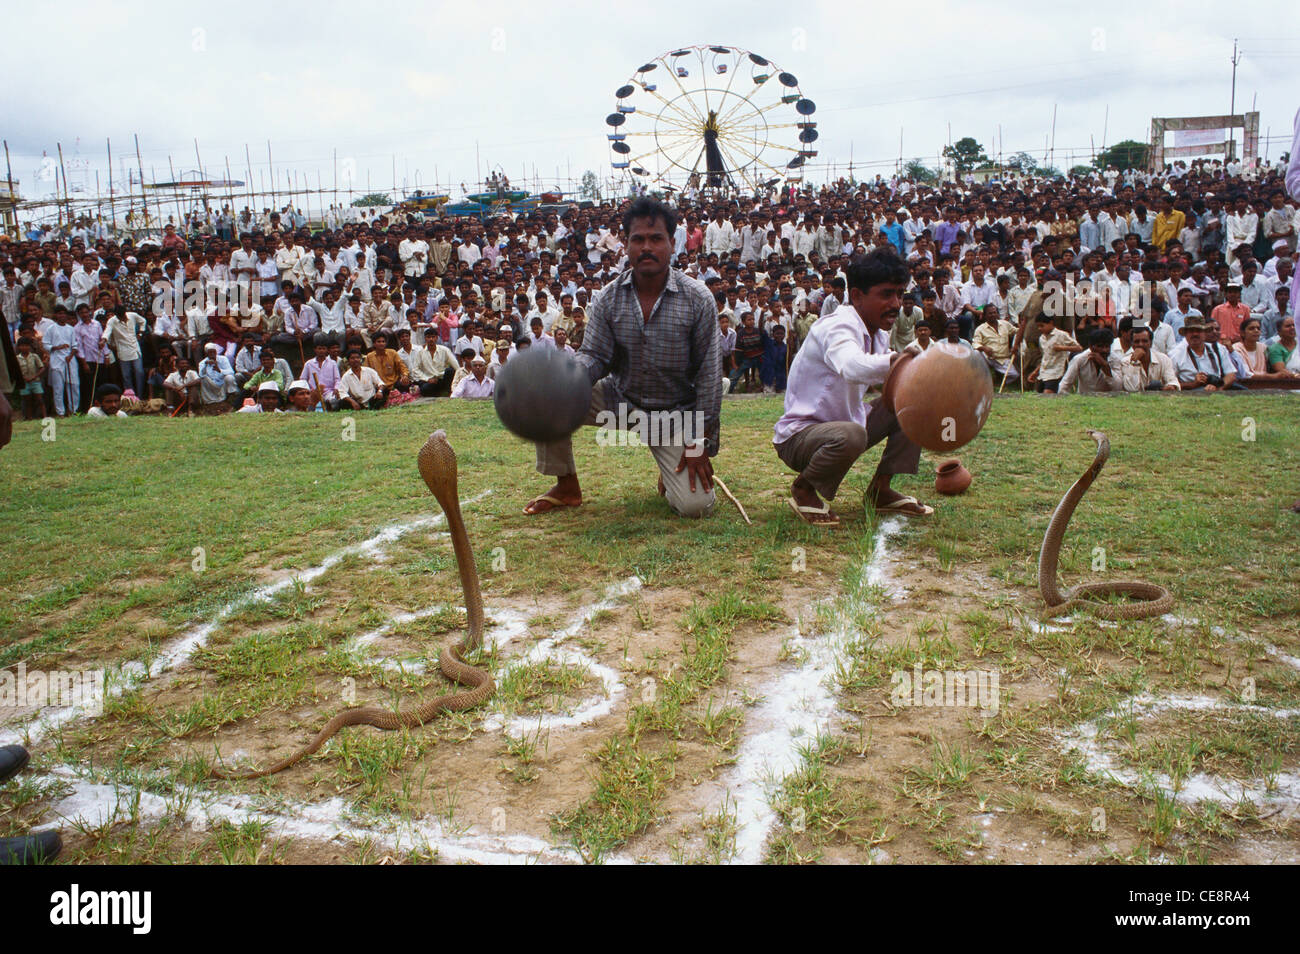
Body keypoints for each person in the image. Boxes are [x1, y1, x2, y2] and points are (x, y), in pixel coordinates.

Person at [524, 198, 719, 519]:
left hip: (675, 414)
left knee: (695, 508)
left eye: (656, 239)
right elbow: (594, 356)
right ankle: (567, 486)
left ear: (672, 243)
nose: (647, 247)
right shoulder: (608, 297)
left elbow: (709, 377)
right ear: (625, 244)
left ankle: (669, 469)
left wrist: (699, 443)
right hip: (620, 398)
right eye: (637, 239)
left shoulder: (698, 298)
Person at [773, 247, 930, 527]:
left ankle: (880, 491)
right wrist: (900, 358)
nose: (895, 303)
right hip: (800, 438)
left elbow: (888, 378)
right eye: (886, 294)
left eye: (899, 293)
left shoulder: (878, 332)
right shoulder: (839, 325)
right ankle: (803, 489)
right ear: (857, 295)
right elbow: (853, 366)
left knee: (913, 400)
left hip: (846, 427)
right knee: (852, 434)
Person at [1057, 328, 1123, 394]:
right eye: (1100, 346)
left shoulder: (1115, 360)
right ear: (1091, 347)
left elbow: (1118, 388)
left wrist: (1105, 367)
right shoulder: (1080, 359)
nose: (1104, 350)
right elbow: (1064, 386)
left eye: (1107, 346)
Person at [1027, 312, 1080, 393]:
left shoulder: (1061, 335)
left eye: (1042, 326)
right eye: (1038, 326)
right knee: (1040, 396)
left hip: (1056, 372)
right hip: (1043, 372)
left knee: (1048, 394)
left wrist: (1062, 348)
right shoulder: (1042, 338)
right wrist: (1035, 372)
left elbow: (1078, 348)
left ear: (1051, 323)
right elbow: (1045, 357)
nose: (1040, 329)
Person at [1117, 325, 1180, 391]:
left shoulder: (1164, 359)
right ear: (1132, 345)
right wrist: (1134, 362)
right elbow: (1131, 389)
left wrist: (1170, 387)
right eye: (1137, 341)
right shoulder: (1126, 362)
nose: (1140, 344)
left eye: (1144, 341)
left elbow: (1173, 381)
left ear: (1151, 343)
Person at [15, 336, 45, 420]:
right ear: (19, 347)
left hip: (35, 381)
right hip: (24, 382)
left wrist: (34, 376)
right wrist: (24, 378)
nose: (24, 347)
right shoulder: (17, 358)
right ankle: (29, 417)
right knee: (27, 400)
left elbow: (42, 367)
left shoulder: (34, 356)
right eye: (22, 346)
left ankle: (44, 415)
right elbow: (16, 371)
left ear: (30, 346)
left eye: (27, 345)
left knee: (40, 399)